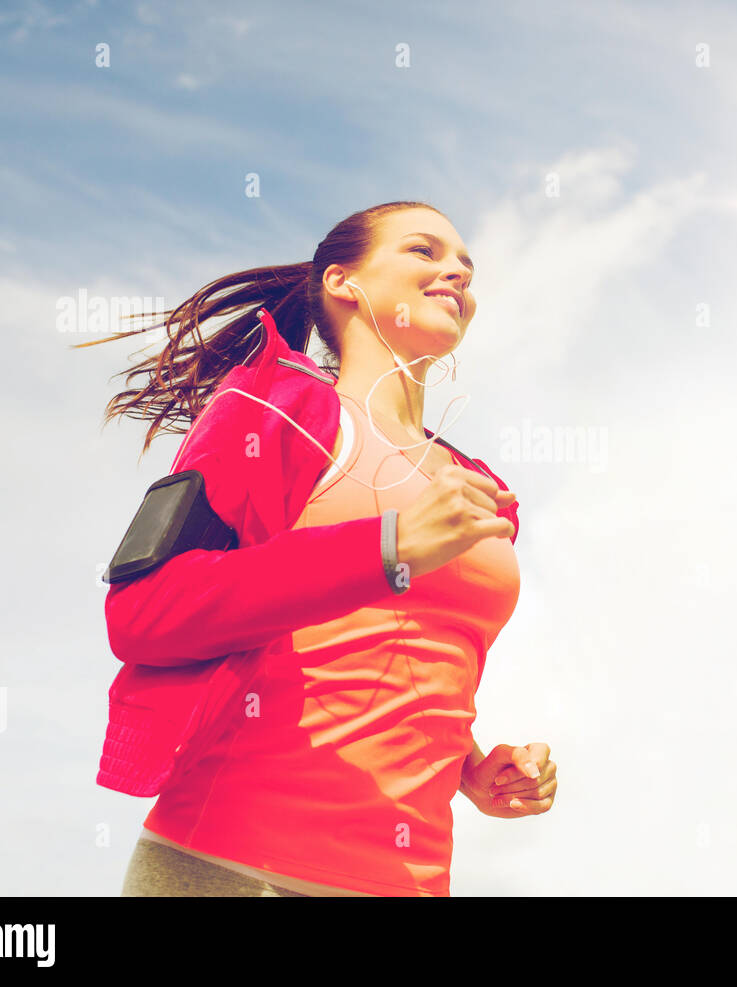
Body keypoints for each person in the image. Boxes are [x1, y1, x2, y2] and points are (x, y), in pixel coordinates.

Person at [75, 201, 558, 896]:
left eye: (466, 266)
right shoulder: (270, 409)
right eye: (424, 251)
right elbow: (143, 610)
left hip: (408, 879)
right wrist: (384, 547)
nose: (455, 270)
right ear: (344, 282)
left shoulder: (481, 486)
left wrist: (473, 770)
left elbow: (392, 658)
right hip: (235, 866)